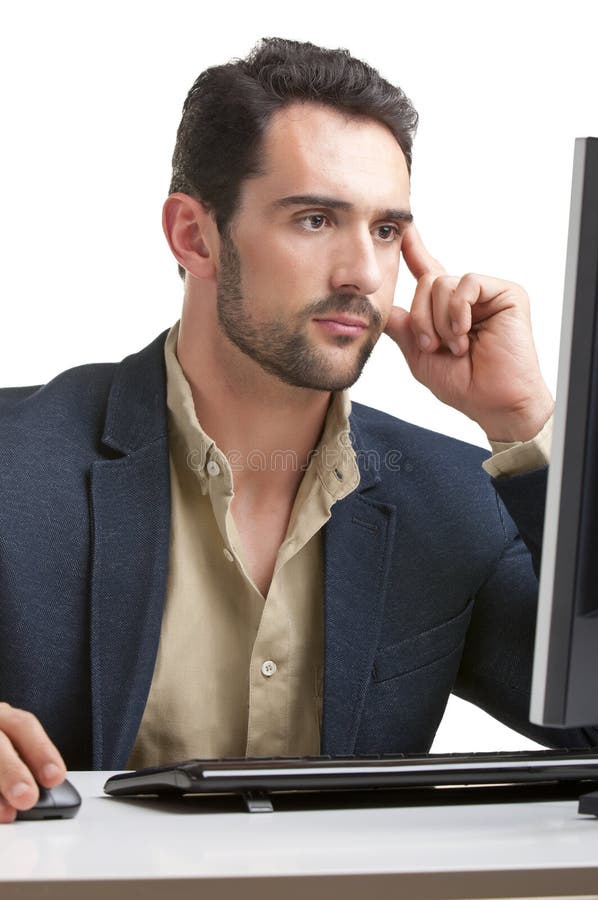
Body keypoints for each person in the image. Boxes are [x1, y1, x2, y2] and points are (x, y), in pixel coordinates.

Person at [0, 36, 596, 824]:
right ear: (194, 235)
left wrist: (526, 423)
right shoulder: (18, 463)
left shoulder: (452, 502)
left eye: (386, 230)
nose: (363, 272)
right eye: (316, 219)